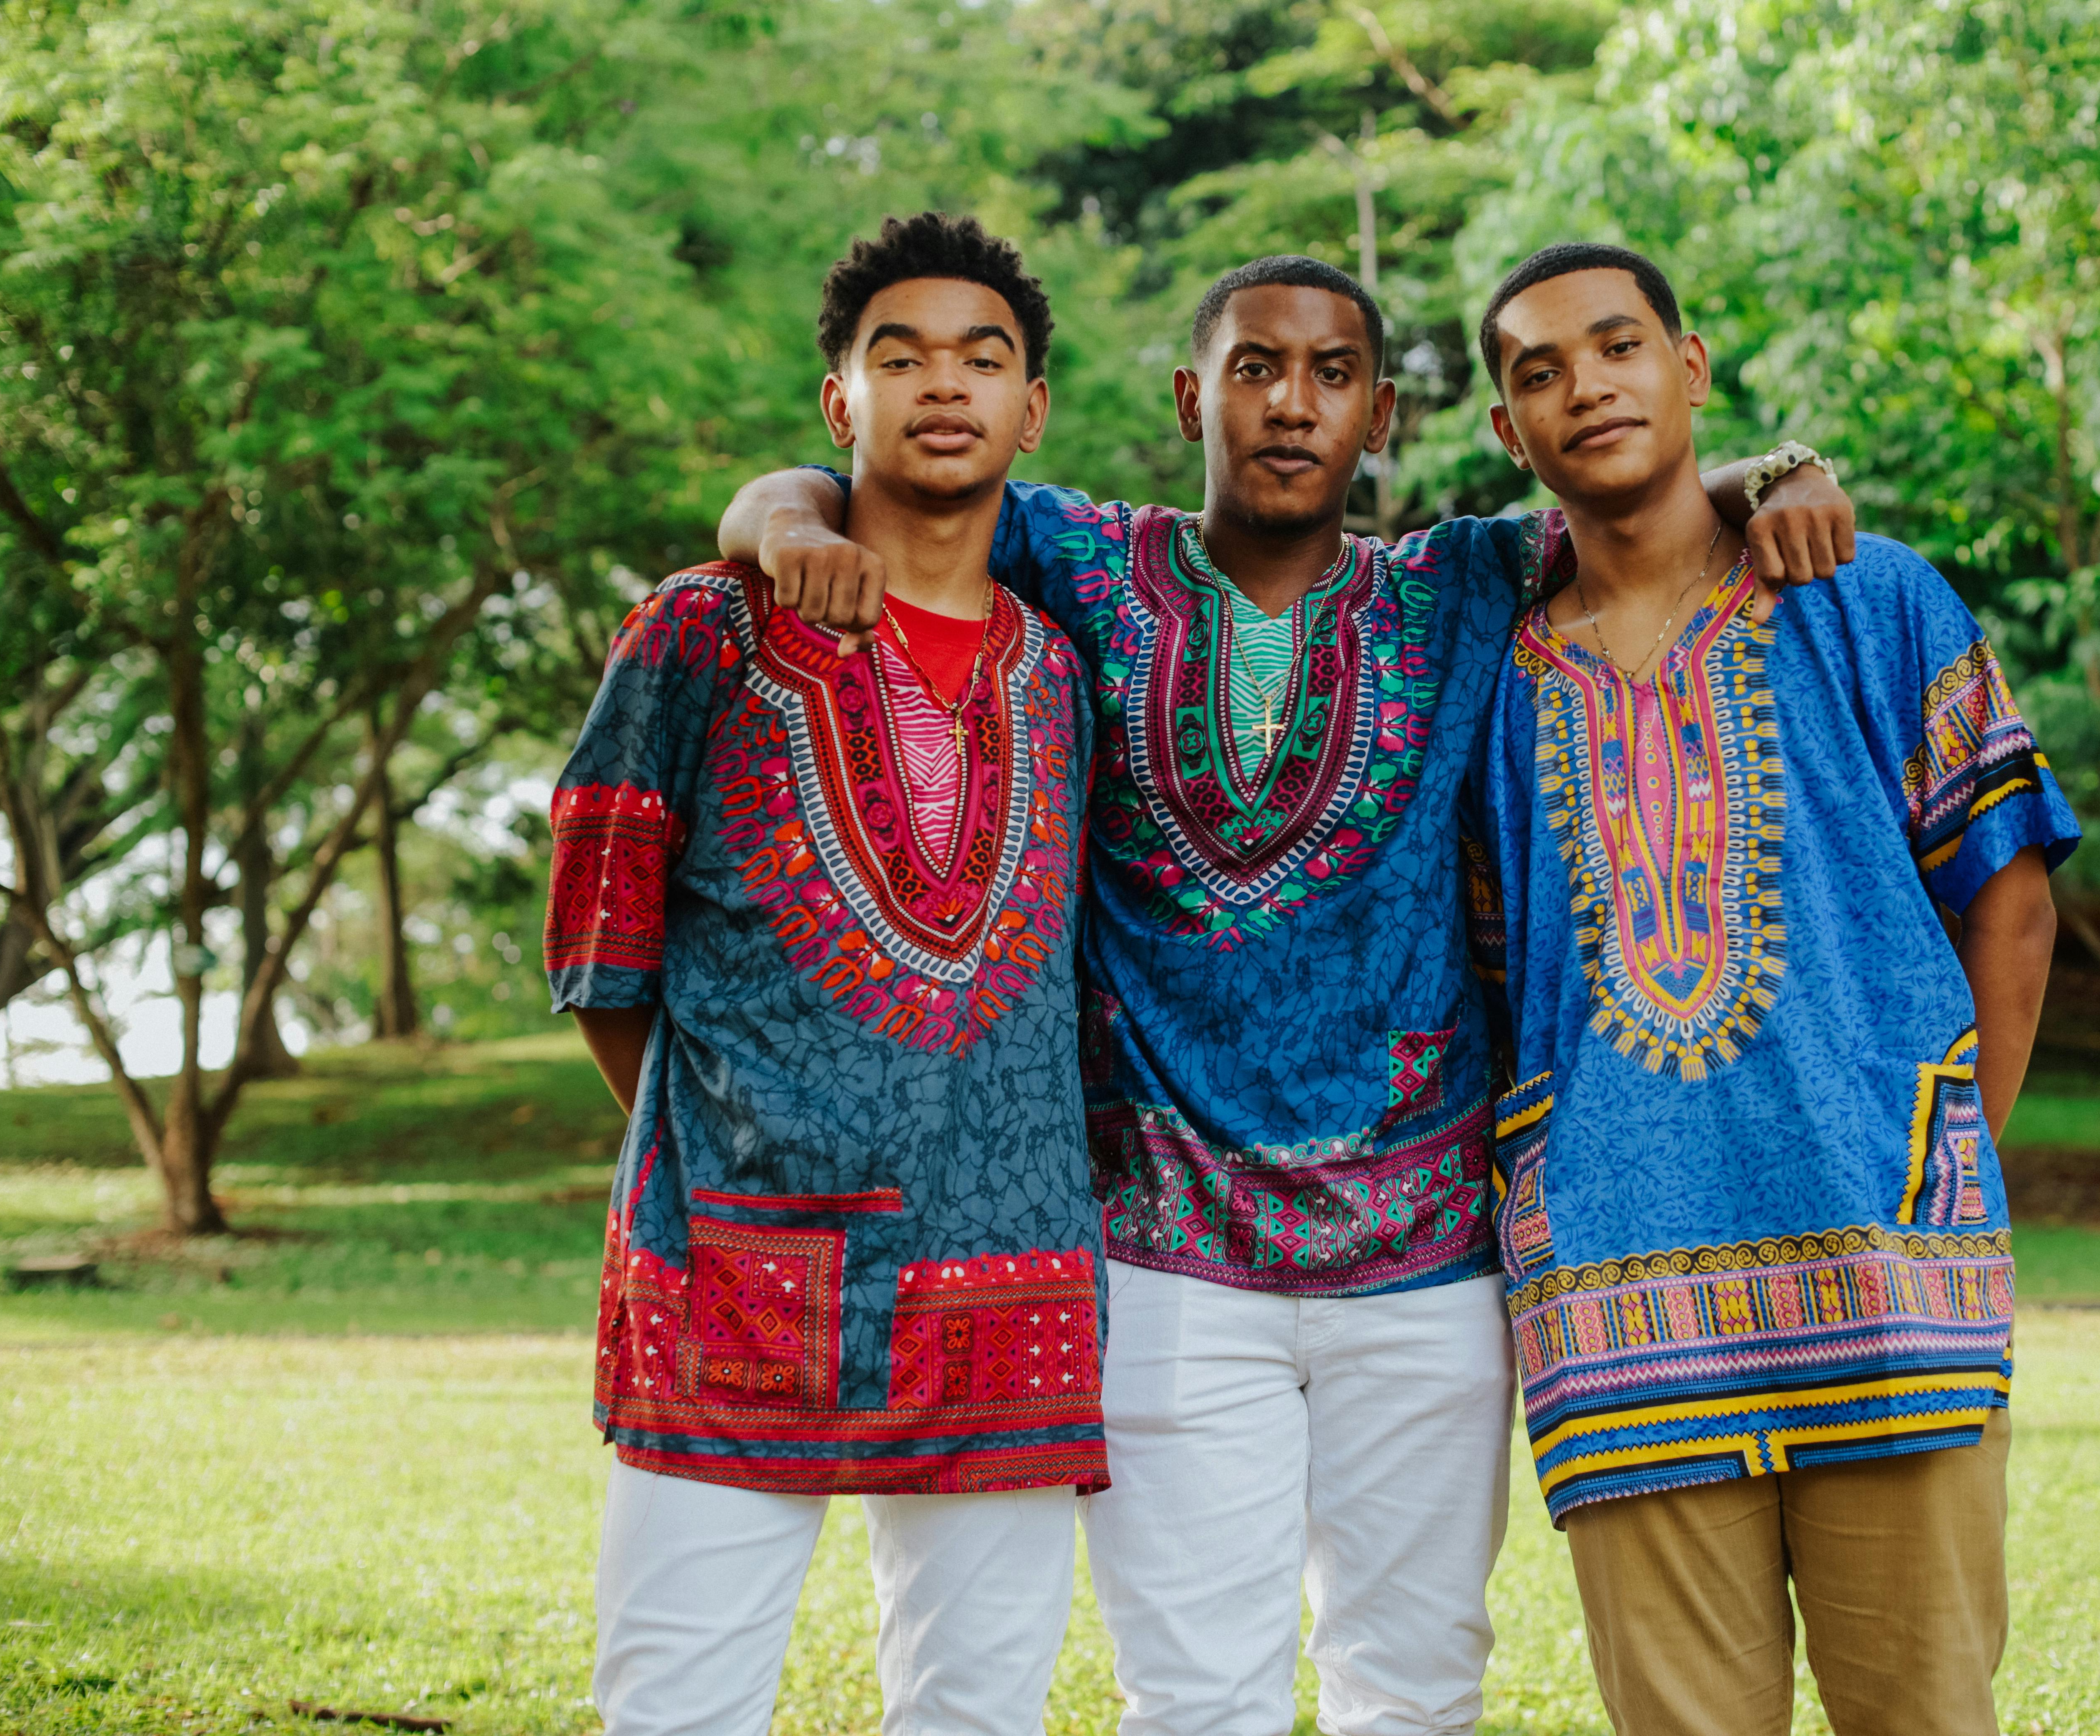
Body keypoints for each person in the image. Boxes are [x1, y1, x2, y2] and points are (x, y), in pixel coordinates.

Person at [718, 250, 1857, 1736]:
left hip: (1431, 1268)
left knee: (1416, 1687)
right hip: (1169, 1262)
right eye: (1256, 370)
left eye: (1332, 376)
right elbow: (858, 478)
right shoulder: (1079, 562)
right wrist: (781, 514)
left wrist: (1786, 469)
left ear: (1380, 413)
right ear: (1196, 399)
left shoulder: (1459, 586)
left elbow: (1639, 499)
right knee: (1198, 1699)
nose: (1293, 405)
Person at [1465, 240, 2080, 1736]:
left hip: (1890, 1283)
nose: (1583, 387)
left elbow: (2011, 899)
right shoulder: (1487, 672)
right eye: (1538, 373)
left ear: (1691, 368)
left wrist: (1949, 1153)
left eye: (1617, 347)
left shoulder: (1870, 596)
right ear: (1508, 434)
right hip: (1616, 1302)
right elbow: (1491, 973)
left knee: (1925, 1711)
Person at [544, 213, 1103, 1736]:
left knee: (979, 1710)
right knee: (676, 1700)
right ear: (837, 402)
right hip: (730, 1269)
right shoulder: (703, 631)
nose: (944, 384)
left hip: (1010, 1273)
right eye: (898, 354)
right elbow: (602, 951)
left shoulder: (1063, 670)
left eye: (984, 359)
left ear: (1031, 412)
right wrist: (739, 1130)